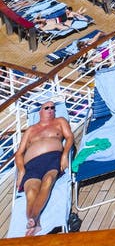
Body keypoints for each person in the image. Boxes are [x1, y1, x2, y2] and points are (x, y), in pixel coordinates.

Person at [14, 100, 74, 236]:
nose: (51, 109)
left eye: (53, 107)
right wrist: (21, 171)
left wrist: (65, 154)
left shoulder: (60, 121)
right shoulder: (31, 130)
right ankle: (36, 222)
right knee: (30, 192)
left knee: (47, 182)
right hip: (32, 165)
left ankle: (33, 219)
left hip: (52, 159)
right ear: (40, 112)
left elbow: (70, 137)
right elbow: (19, 153)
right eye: (47, 108)